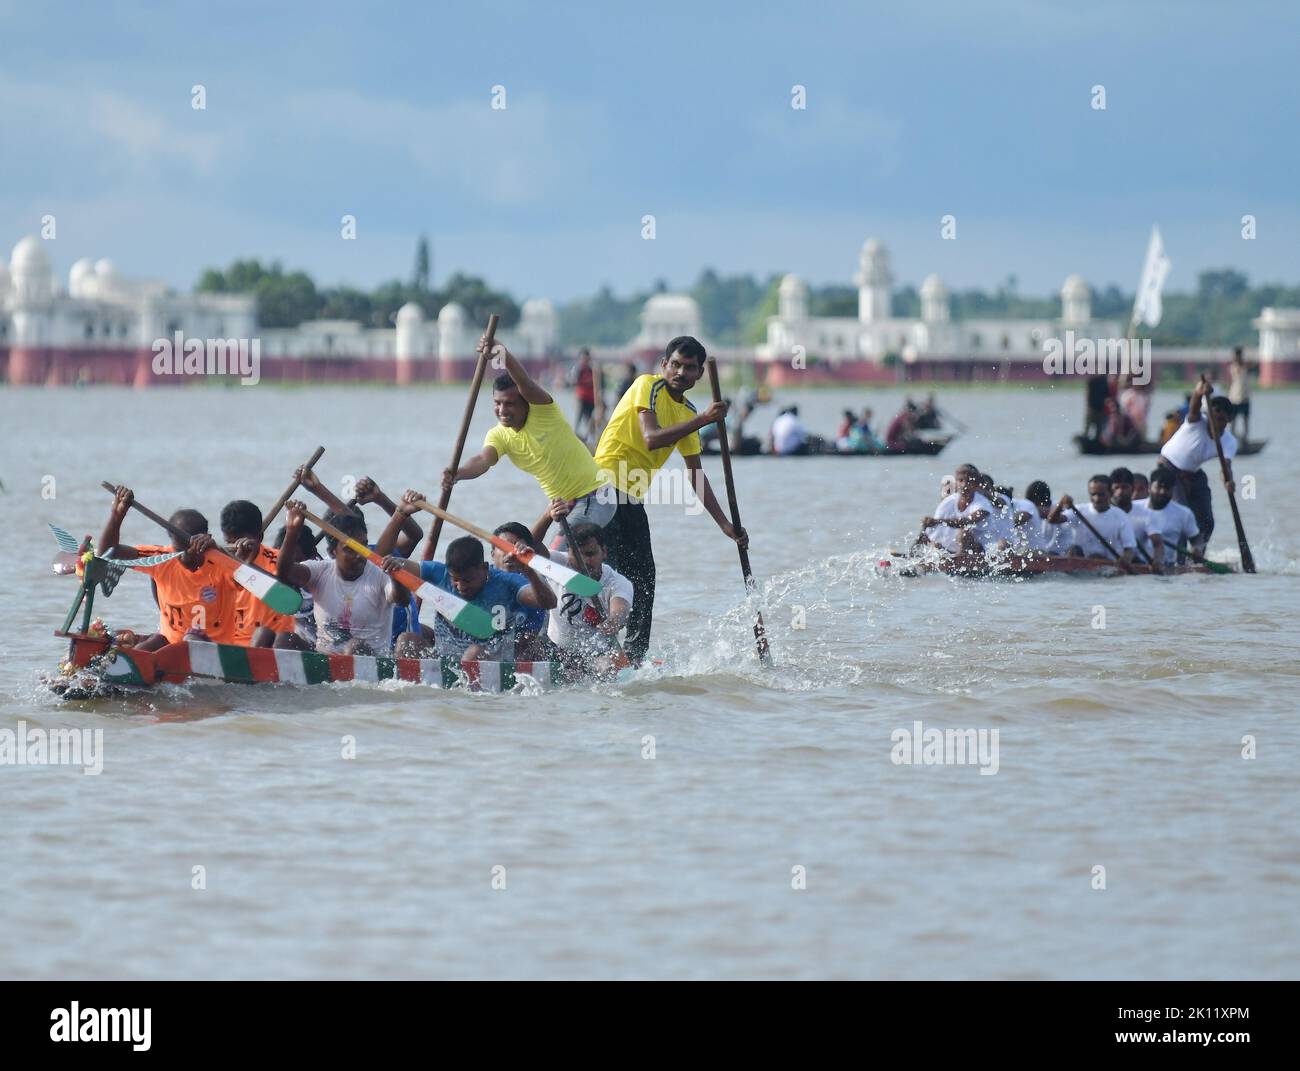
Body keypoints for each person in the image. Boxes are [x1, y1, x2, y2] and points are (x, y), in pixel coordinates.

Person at [592, 335, 748, 664]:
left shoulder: (688, 412)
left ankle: (633, 657)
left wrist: (725, 525)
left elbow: (695, 474)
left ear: (699, 375)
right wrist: (705, 419)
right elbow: (651, 438)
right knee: (607, 574)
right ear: (664, 365)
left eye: (689, 368)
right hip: (601, 489)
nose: (680, 372)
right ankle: (595, 647)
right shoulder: (647, 385)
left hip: (631, 496)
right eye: (674, 364)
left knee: (644, 578)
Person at [443, 334, 614, 542]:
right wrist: (457, 474)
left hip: (595, 496)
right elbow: (482, 460)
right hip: (563, 506)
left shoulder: (543, 411)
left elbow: (526, 384)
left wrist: (500, 351)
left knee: (561, 555)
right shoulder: (498, 434)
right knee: (548, 558)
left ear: (525, 402)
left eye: (509, 403)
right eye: (497, 403)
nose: (502, 410)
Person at [381, 502, 557, 661]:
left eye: (468, 580)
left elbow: (549, 602)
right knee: (406, 640)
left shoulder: (508, 581)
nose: (461, 586)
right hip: (447, 659)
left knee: (473, 653)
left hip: (491, 661)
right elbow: (385, 558)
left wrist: (529, 571)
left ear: (485, 568)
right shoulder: (438, 572)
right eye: (455, 580)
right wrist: (395, 563)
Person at [291, 468, 425, 645]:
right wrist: (316, 488)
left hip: (397, 644)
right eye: (348, 546)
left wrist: (383, 500)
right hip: (356, 646)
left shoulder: (380, 554)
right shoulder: (327, 570)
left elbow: (413, 535)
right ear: (333, 550)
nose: (357, 554)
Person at [97, 486, 240, 651]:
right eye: (179, 550)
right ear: (171, 542)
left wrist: (220, 551)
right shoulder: (162, 557)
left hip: (215, 651)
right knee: (148, 646)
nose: (186, 556)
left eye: (192, 548)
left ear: (206, 539)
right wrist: (117, 516)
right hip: (170, 647)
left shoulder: (223, 564)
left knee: (191, 638)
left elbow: (253, 583)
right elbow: (107, 554)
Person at [275, 501, 409, 655]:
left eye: (363, 546)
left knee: (354, 646)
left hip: (371, 661)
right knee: (284, 639)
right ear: (332, 552)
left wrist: (396, 578)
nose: (360, 555)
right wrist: (292, 531)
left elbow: (401, 600)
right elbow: (285, 573)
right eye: (350, 550)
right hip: (326, 658)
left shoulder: (380, 574)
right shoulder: (320, 571)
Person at [531, 505, 634, 676]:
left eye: (590, 553)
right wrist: (548, 515)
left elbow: (620, 609)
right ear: (568, 553)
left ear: (604, 552)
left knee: (605, 668)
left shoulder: (617, 582)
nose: (584, 561)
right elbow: (531, 547)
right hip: (556, 647)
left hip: (596, 654)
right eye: (577, 555)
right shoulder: (559, 564)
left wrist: (614, 621)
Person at [1155, 378, 1237, 545]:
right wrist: (1199, 392)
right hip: (1168, 467)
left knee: (1207, 521)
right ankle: (1178, 560)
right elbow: (1194, 407)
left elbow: (1225, 467)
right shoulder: (1196, 421)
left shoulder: (1229, 442)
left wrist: (1228, 482)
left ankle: (1198, 553)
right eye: (1213, 417)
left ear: (1229, 420)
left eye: (1220, 419)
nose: (1215, 423)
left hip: (1193, 472)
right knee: (1183, 515)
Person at [219, 498, 298, 648]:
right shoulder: (216, 561)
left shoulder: (279, 562)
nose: (236, 550)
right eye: (230, 545)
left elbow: (288, 603)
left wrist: (246, 567)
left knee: (262, 634)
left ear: (259, 538)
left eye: (240, 544)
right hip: (229, 646)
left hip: (270, 646)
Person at [490, 521, 554, 660]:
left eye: (516, 549)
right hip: (485, 645)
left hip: (524, 647)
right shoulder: (479, 577)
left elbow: (528, 638)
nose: (511, 554)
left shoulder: (534, 585)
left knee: (533, 649)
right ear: (492, 553)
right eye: (504, 547)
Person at [1049, 475, 1135, 562]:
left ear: (1110, 493)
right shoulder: (1079, 510)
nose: (1096, 499)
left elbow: (1129, 550)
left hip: (1107, 563)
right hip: (1081, 560)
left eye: (1101, 495)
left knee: (1096, 556)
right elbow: (1052, 520)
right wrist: (1060, 504)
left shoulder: (1121, 516)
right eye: (1093, 494)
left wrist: (1123, 563)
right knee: (1074, 549)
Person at [915, 463, 993, 556]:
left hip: (981, 551)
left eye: (969, 481)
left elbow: (967, 521)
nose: (964, 485)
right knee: (934, 543)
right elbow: (930, 531)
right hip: (953, 550)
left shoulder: (983, 503)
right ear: (955, 482)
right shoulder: (948, 502)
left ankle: (960, 561)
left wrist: (938, 521)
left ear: (976, 484)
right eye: (960, 480)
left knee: (964, 533)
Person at [1141, 468, 1202, 567]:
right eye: (1159, 487)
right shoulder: (1135, 508)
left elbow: (1196, 540)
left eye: (1167, 488)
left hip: (1166, 565)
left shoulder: (1184, 513)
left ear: (1173, 489)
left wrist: (1196, 549)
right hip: (1136, 563)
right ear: (1149, 487)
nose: (1162, 492)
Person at [1108, 467, 1154, 566]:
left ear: (1132, 488)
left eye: (1124, 487)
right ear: (1110, 490)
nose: (1120, 492)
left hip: (1137, 562)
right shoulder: (1101, 512)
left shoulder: (1146, 514)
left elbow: (1158, 544)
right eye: (1116, 488)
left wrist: (1157, 562)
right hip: (1107, 559)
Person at [569, 348, 597, 442]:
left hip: (591, 399)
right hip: (581, 397)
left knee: (590, 419)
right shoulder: (577, 369)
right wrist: (585, 382)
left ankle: (589, 438)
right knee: (579, 416)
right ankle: (574, 435)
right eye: (583, 358)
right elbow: (572, 382)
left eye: (587, 358)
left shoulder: (592, 370)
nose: (585, 360)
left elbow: (597, 384)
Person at [1228, 346, 1251, 442]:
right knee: (1233, 420)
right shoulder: (1233, 366)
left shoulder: (1245, 366)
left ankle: (1245, 439)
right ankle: (1232, 439)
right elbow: (1232, 379)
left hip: (1245, 397)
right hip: (1234, 397)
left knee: (1245, 420)